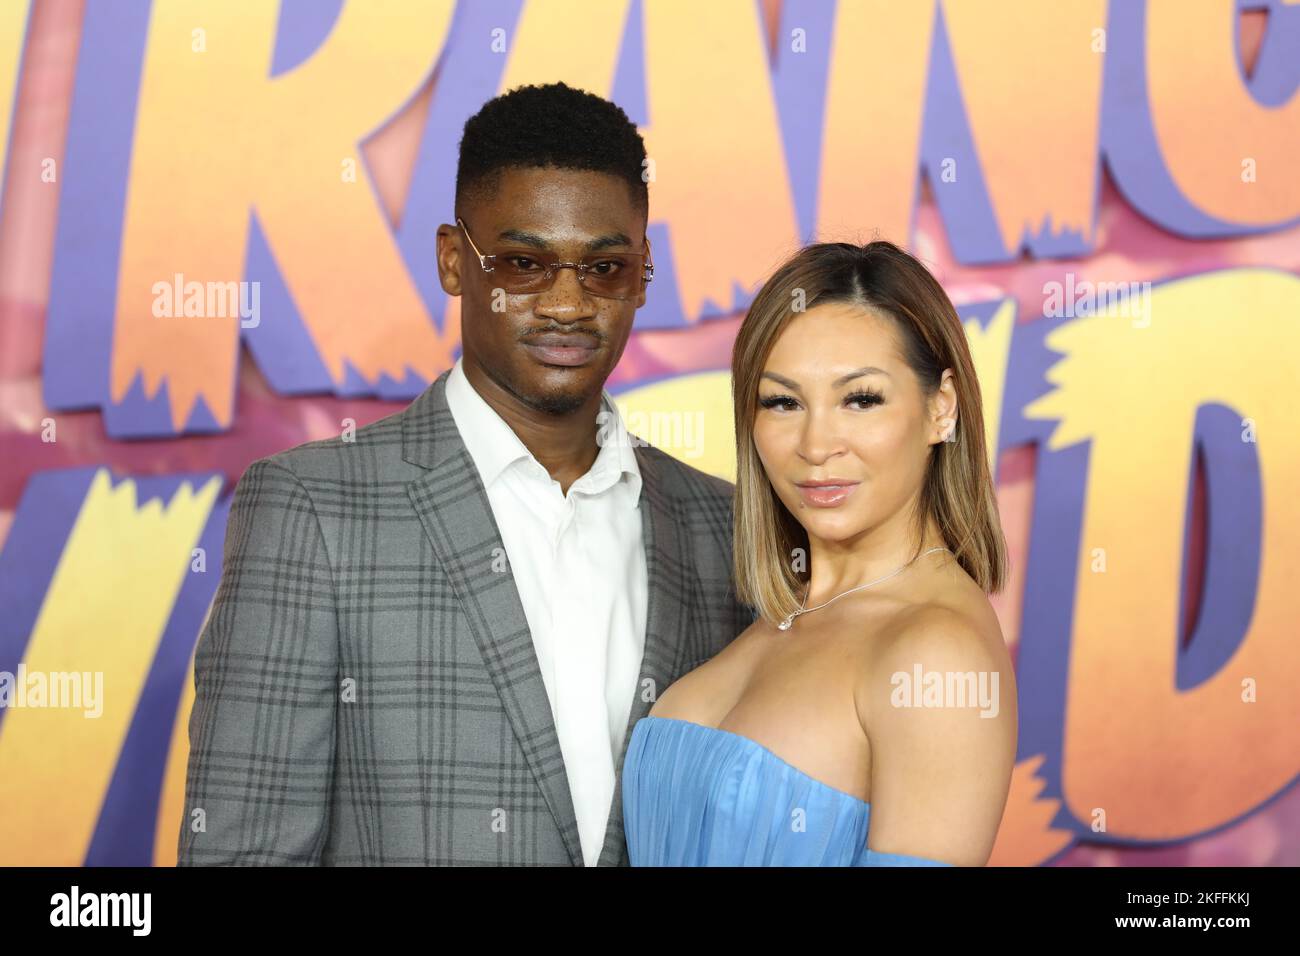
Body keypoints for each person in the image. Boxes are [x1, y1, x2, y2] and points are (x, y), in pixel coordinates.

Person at [178, 82, 753, 866]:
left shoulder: (723, 525)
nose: (565, 303)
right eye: (522, 263)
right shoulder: (313, 507)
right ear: (455, 261)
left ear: (643, 270)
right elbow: (240, 852)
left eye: (604, 268)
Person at [622, 240, 1018, 865]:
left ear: (942, 407)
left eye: (860, 399)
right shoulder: (780, 612)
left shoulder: (937, 653)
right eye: (783, 402)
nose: (816, 443)